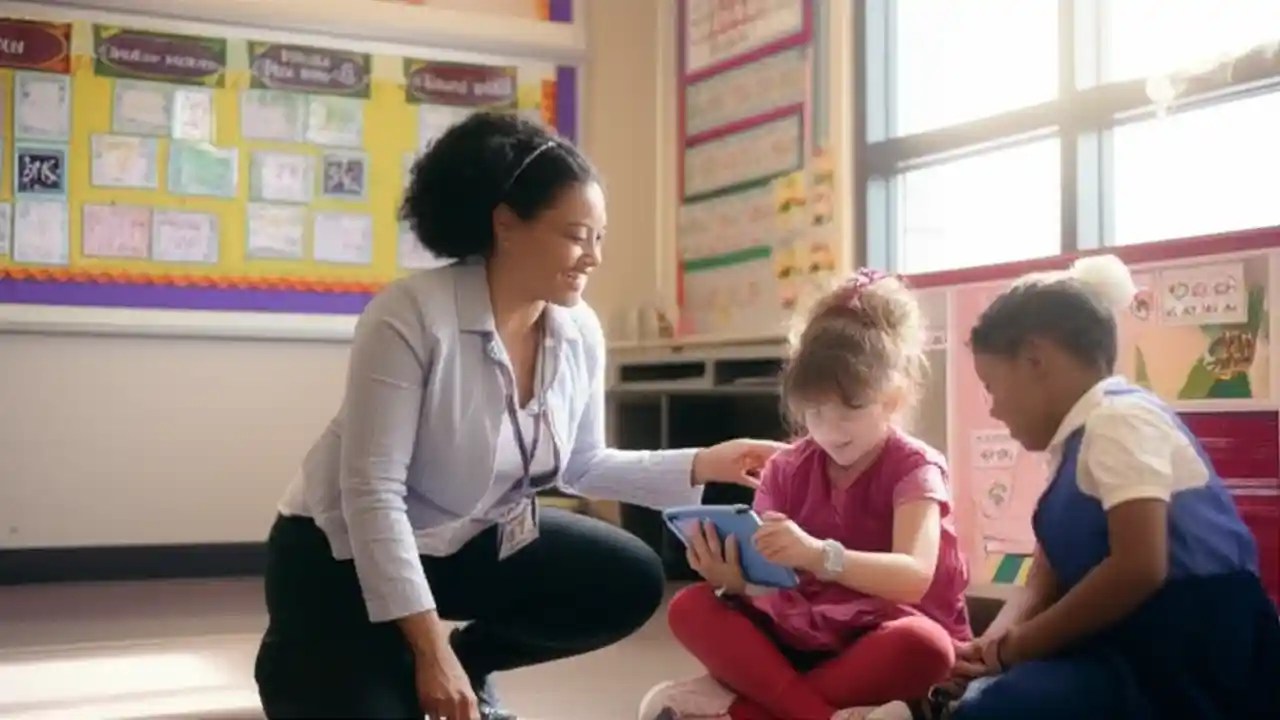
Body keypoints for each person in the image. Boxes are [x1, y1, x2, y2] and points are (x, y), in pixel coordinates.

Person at [252, 112, 786, 720]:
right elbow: (373, 495)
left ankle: (471, 659)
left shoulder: (577, 327)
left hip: (466, 542)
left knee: (629, 577)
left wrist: (704, 463)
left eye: (600, 237)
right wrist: (427, 651)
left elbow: (581, 464)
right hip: (339, 560)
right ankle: (333, 658)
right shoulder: (410, 315)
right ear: (507, 225)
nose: (594, 257)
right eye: (577, 235)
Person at [874, 255, 1280, 719]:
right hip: (1127, 645)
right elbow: (1046, 575)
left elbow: (1140, 566)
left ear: (1034, 360)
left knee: (1007, 709)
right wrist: (990, 647)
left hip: (1192, 651)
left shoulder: (1118, 420)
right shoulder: (1075, 443)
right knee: (995, 700)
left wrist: (1017, 648)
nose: (994, 409)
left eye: (992, 386)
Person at [640, 269, 972, 720]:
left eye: (850, 411)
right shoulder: (788, 468)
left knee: (925, 646)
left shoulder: (915, 467)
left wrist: (819, 555)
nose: (831, 431)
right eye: (815, 412)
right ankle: (822, 713)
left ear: (892, 398)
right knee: (690, 608)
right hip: (798, 635)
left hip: (879, 631)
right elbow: (765, 584)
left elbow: (913, 576)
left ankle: (740, 708)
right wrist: (730, 576)